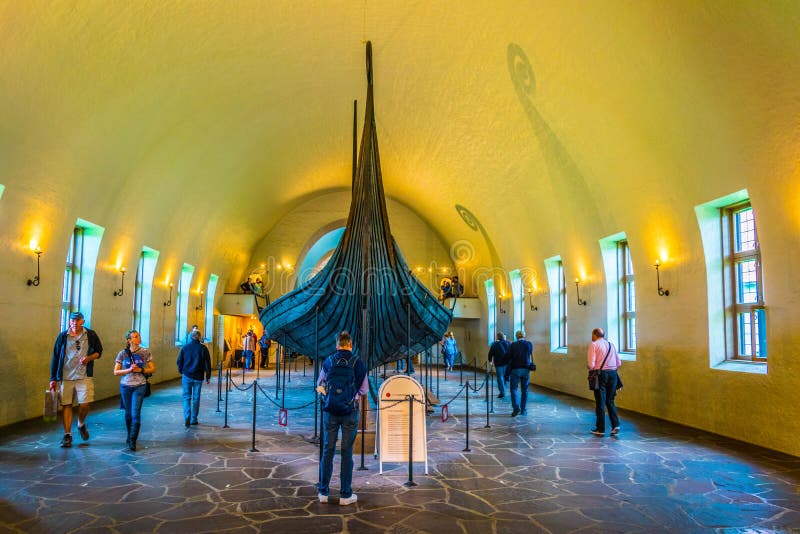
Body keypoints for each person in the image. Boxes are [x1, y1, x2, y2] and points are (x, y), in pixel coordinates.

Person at [316, 331, 368, 506]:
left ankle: (323, 492)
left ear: (337, 344)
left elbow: (319, 384)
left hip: (330, 411)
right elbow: (363, 391)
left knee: (327, 450)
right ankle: (345, 495)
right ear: (351, 344)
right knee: (347, 452)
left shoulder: (329, 361)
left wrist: (328, 395)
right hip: (350, 412)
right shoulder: (358, 363)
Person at [49, 311, 104, 448]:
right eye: (72, 320)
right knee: (66, 404)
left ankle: (80, 423)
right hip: (65, 375)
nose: (74, 323)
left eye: (77, 320)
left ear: (82, 322)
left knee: (84, 403)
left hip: (83, 375)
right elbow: (55, 357)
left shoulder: (90, 335)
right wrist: (53, 378)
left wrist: (89, 358)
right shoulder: (62, 336)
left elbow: (99, 352)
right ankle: (67, 435)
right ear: (69, 322)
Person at [113, 330, 155, 451]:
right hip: (126, 386)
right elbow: (116, 372)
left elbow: (152, 368)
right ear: (129, 340)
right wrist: (129, 370)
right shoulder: (122, 354)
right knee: (128, 414)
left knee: (135, 413)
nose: (138, 338)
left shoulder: (144, 352)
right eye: (135, 337)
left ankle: (133, 440)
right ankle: (129, 434)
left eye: (138, 336)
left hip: (140, 385)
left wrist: (140, 370)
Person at [587, 327, 621, 436]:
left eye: (592, 335)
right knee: (610, 400)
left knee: (600, 402)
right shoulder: (611, 345)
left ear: (594, 335)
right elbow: (618, 363)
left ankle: (600, 429)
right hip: (613, 374)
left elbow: (591, 365)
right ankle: (615, 425)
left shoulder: (594, 344)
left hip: (601, 375)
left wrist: (590, 367)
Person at [176, 329, 212, 427]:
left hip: (186, 375)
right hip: (198, 377)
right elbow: (207, 363)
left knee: (186, 397)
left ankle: (187, 416)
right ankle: (194, 419)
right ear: (199, 337)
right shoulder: (203, 348)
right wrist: (208, 376)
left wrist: (181, 371)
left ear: (191, 337)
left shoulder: (185, 347)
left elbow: (179, 361)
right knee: (196, 398)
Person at [508, 330, 533, 417]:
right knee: (525, 390)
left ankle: (516, 408)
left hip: (515, 369)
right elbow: (529, 353)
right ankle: (523, 410)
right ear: (524, 336)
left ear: (516, 336)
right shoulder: (529, 344)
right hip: (526, 369)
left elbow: (508, 356)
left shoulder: (513, 345)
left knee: (513, 389)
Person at [487, 332, 510, 398]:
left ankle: (502, 391)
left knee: (500, 378)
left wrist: (490, 361)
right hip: (506, 363)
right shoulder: (508, 343)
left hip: (499, 364)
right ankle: (504, 389)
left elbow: (490, 353)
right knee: (505, 377)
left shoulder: (495, 344)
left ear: (498, 337)